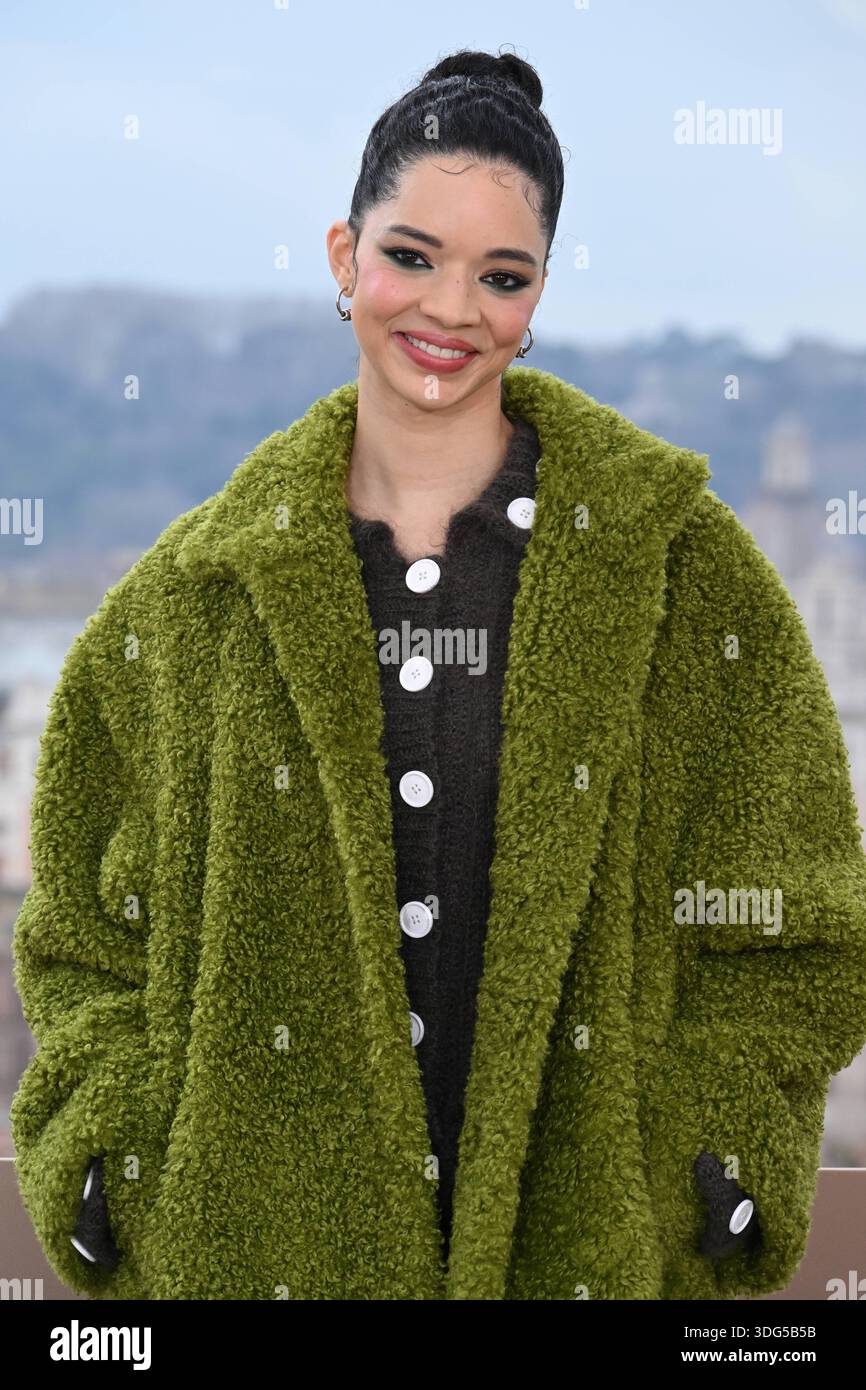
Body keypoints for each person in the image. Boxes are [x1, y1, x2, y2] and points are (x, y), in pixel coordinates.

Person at [11, 47, 866, 1302]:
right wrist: (106, 1158)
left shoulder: (681, 573)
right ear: (343, 258)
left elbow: (797, 921)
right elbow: (83, 936)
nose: (451, 309)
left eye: (500, 275)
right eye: (411, 254)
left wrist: (712, 1160)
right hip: (247, 1269)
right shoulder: (190, 599)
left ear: (535, 298)